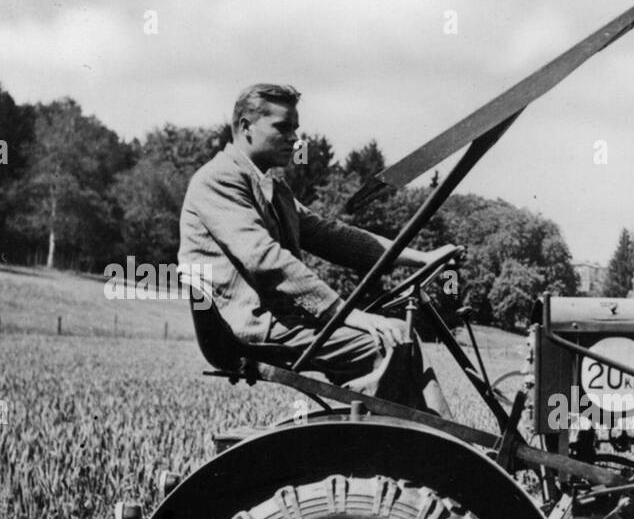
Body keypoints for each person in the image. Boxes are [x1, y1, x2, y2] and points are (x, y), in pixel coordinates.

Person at [178, 83, 450, 415]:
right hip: (252, 327)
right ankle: (414, 453)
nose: (295, 139)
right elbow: (266, 260)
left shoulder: (272, 186)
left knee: (402, 336)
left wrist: (420, 258)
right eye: (283, 127)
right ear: (246, 126)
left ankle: (447, 447)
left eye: (296, 128)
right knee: (387, 344)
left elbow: (333, 236)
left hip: (281, 321)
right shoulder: (219, 179)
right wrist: (350, 315)